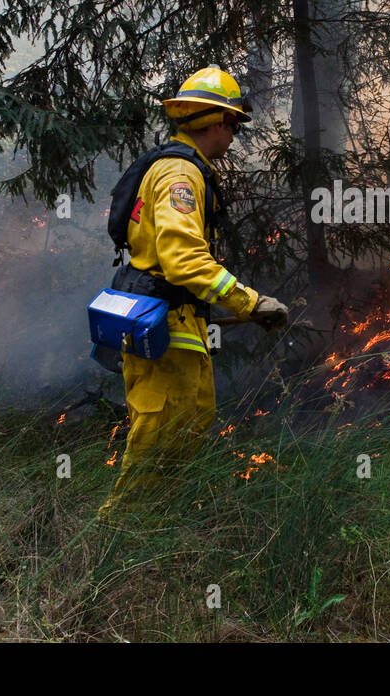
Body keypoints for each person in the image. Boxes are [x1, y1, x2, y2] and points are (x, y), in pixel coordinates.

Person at [98, 66, 287, 520]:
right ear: (218, 122)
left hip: (179, 327)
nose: (234, 136)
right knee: (155, 436)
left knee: (184, 430)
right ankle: (117, 534)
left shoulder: (179, 168)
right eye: (235, 125)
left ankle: (159, 528)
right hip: (166, 325)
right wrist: (250, 302)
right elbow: (183, 260)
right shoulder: (181, 175)